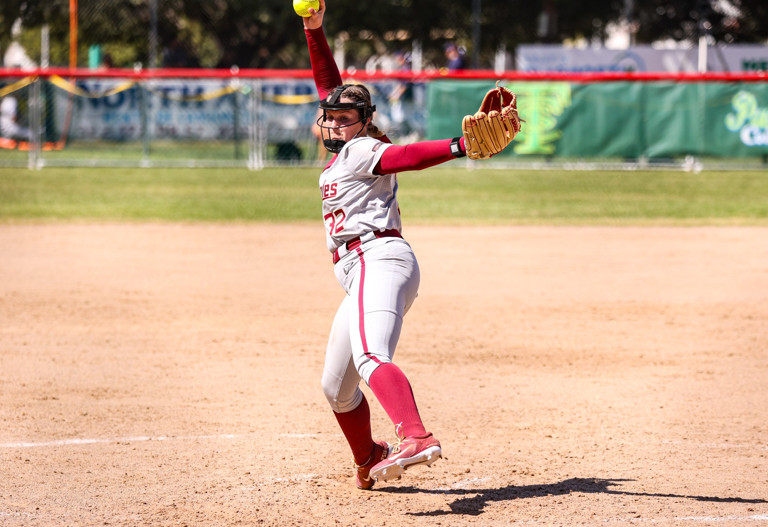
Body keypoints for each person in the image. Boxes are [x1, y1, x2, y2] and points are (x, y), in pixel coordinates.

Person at [302, 0, 471, 490]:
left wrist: (457, 146)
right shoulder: (344, 147)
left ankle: (415, 435)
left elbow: (409, 156)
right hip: (360, 270)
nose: (334, 121)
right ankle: (368, 454)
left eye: (345, 116)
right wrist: (314, 30)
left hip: (377, 258)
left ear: (363, 121)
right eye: (330, 114)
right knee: (336, 387)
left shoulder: (363, 148)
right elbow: (329, 86)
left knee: (371, 356)